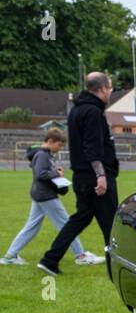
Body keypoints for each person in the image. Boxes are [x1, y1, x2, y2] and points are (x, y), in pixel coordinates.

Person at [38, 72, 118, 276]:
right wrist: (101, 176)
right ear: (101, 89)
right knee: (110, 222)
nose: (110, 92)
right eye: (109, 88)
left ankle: (50, 259)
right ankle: (116, 266)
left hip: (81, 176)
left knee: (80, 218)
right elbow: (93, 148)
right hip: (95, 176)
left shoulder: (77, 111)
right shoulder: (93, 112)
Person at [1, 129, 102, 266]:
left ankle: (9, 256)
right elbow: (41, 174)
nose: (60, 149)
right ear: (50, 141)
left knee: (31, 227)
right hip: (46, 196)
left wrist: (56, 173)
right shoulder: (42, 155)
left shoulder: (44, 154)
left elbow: (43, 173)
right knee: (67, 224)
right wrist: (57, 173)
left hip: (40, 195)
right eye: (59, 145)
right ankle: (81, 255)